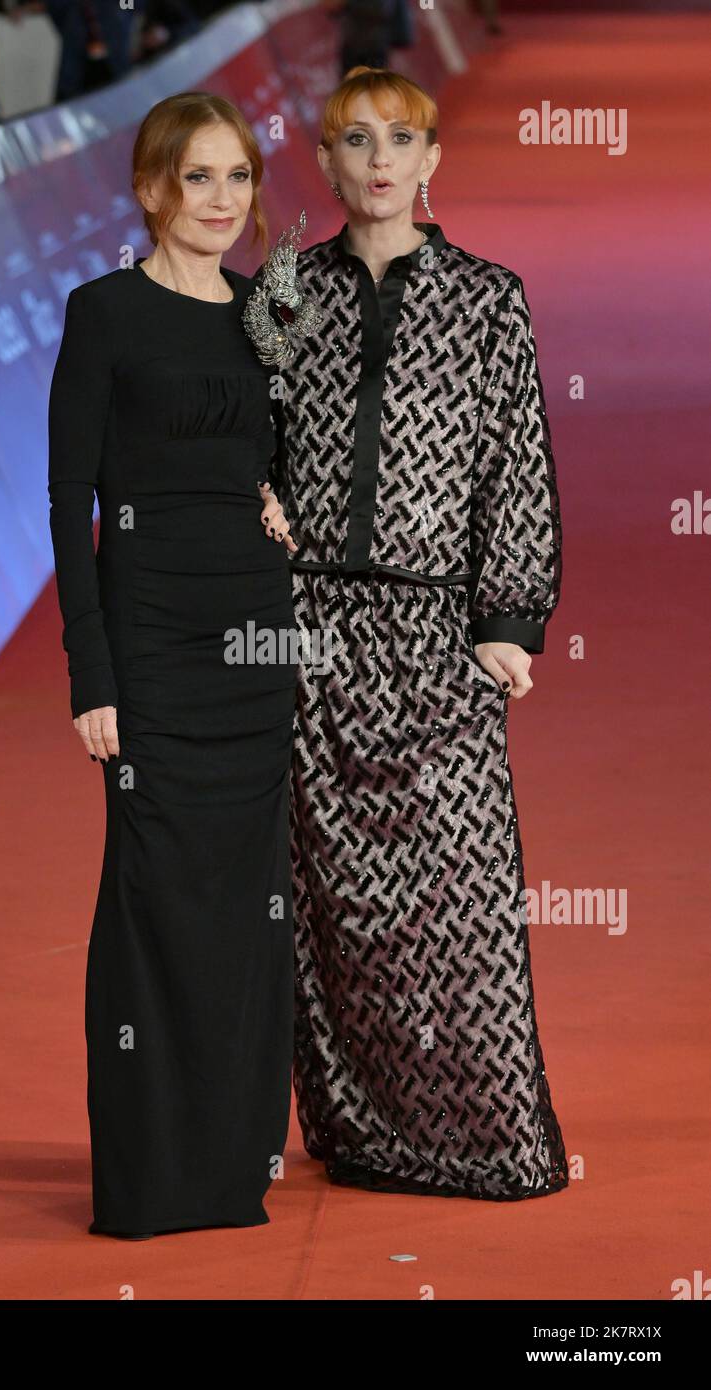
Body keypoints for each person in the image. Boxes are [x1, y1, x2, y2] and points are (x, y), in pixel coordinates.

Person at [256, 65, 569, 1200]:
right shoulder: (284, 291)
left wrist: (509, 617)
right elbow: (243, 432)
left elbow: (513, 467)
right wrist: (252, 499)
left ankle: (489, 1141)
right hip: (311, 634)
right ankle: (366, 1130)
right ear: (327, 162)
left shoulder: (490, 298)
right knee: (334, 896)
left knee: (463, 890)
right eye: (353, 140)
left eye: (399, 139)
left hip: (439, 631)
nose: (378, 159)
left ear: (433, 160)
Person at [47, 92, 298, 1238]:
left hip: (253, 641)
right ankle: (151, 1175)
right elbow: (68, 501)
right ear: (150, 188)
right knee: (152, 897)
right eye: (195, 178)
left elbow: (277, 454)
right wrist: (89, 671)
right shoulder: (101, 312)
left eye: (236, 178)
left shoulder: (261, 313)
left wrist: (278, 499)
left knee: (246, 908)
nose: (220, 201)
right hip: (150, 645)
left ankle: (231, 1160)